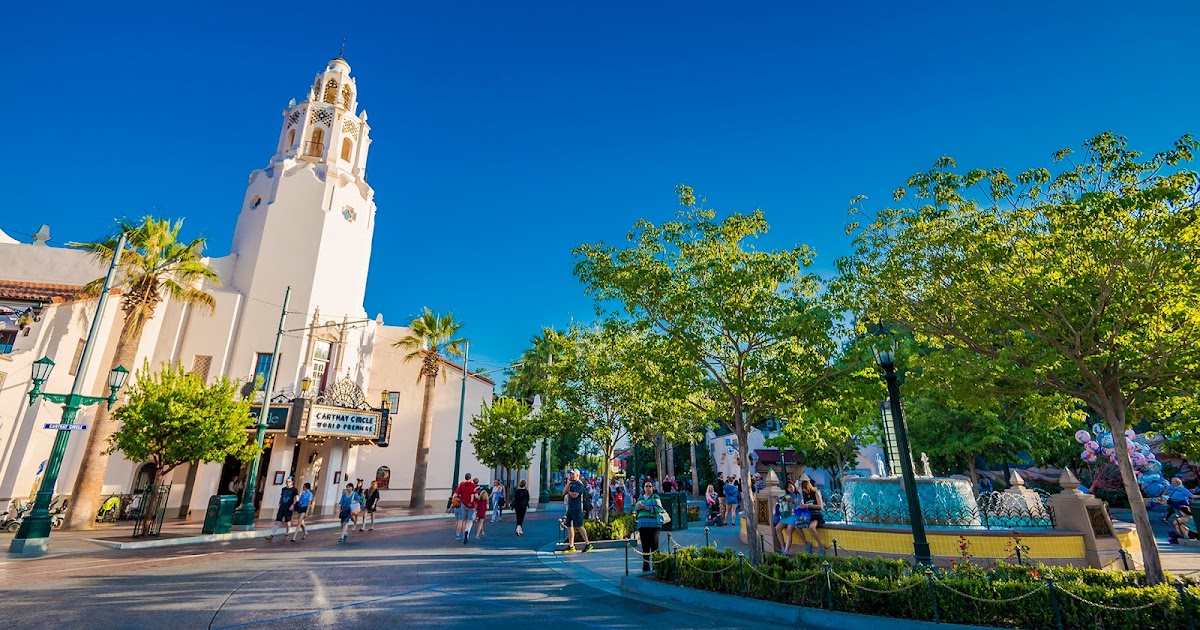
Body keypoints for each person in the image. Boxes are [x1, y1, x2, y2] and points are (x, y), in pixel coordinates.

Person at [634, 480, 665, 572]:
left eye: (650, 486)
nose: (648, 488)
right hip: (643, 525)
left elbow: (658, 509)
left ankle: (657, 567)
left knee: (654, 545)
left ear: (653, 488)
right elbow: (636, 509)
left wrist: (645, 507)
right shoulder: (640, 499)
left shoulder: (655, 497)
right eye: (646, 486)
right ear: (643, 488)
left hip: (654, 526)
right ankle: (646, 566)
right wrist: (639, 508)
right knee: (645, 546)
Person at [564, 469, 593, 553]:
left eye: (573, 474)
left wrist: (568, 491)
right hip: (570, 508)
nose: (571, 476)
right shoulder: (571, 483)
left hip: (577, 508)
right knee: (569, 526)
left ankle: (588, 544)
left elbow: (574, 495)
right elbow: (563, 492)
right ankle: (571, 545)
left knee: (579, 526)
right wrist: (568, 484)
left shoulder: (579, 485)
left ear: (577, 475)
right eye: (571, 474)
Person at [799, 479, 826, 555]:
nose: (806, 491)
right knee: (797, 526)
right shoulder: (805, 496)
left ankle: (821, 546)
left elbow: (820, 506)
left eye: (807, 489)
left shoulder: (815, 493)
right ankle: (806, 544)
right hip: (808, 516)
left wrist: (808, 505)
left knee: (812, 527)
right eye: (804, 490)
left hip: (816, 515)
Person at [774, 481, 802, 554]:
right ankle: (782, 547)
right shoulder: (787, 495)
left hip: (795, 515)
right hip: (786, 515)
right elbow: (781, 500)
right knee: (777, 528)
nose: (790, 488)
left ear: (794, 486)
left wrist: (792, 502)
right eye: (788, 487)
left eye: (791, 486)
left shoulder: (799, 495)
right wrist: (778, 500)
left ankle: (786, 550)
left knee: (788, 530)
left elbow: (799, 506)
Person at [453, 473, 478, 543]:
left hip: (464, 504)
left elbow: (455, 494)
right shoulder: (473, 486)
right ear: (470, 478)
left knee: (464, 519)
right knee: (470, 520)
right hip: (472, 505)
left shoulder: (462, 485)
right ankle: (467, 532)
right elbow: (476, 496)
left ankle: (463, 534)